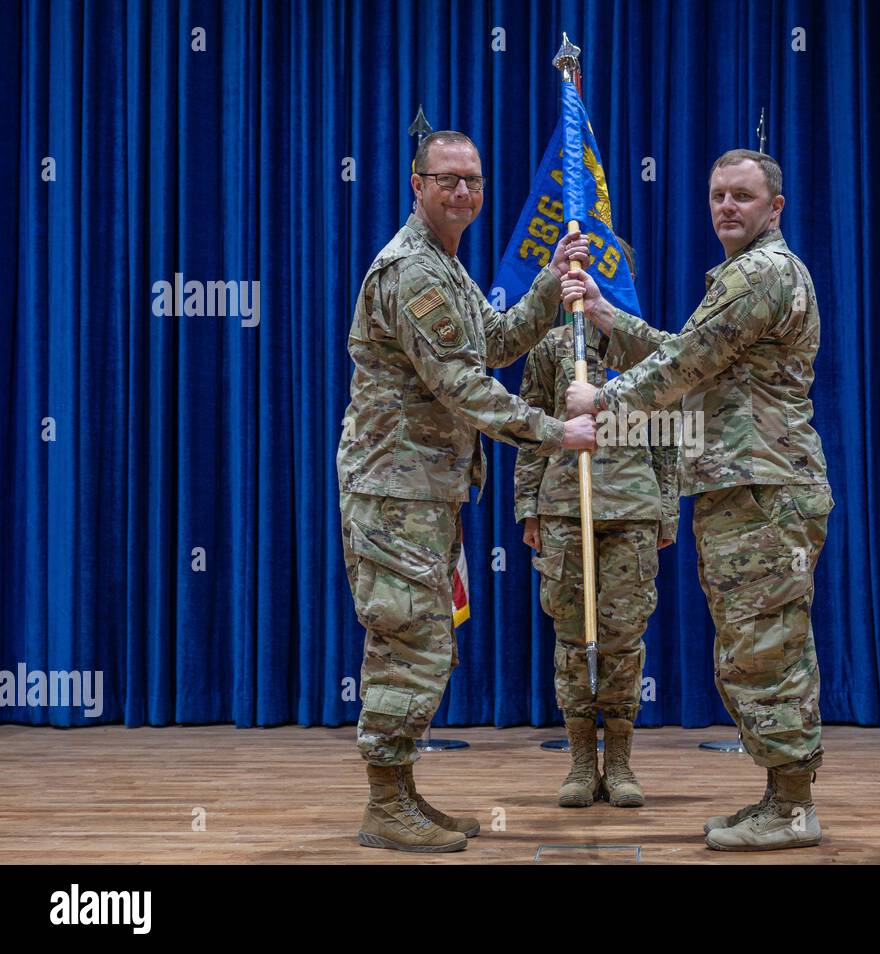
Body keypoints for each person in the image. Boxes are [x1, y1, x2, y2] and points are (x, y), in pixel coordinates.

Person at [563, 149, 833, 851]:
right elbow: (691, 351)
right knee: (753, 650)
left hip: (762, 488)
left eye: (742, 196)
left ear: (776, 207)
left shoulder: (762, 274)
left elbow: (684, 365)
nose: (726, 207)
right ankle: (780, 796)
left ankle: (794, 807)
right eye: (717, 195)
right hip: (744, 485)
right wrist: (605, 315)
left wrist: (604, 397)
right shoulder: (747, 276)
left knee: (768, 651)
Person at [337, 129, 597, 852]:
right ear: (416, 186)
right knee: (405, 645)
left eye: (473, 181)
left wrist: (550, 279)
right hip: (396, 491)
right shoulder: (412, 271)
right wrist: (556, 433)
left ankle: (402, 794)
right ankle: (384, 805)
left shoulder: (447, 267)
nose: (462, 192)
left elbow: (500, 340)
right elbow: (464, 387)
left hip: (423, 489)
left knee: (421, 643)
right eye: (446, 179)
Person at [515, 303, 678, 808]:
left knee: (625, 636)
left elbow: (669, 436)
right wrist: (529, 507)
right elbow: (530, 425)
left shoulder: (647, 351)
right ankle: (583, 762)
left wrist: (666, 513)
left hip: (632, 506)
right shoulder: (552, 347)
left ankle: (622, 761)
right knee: (571, 635)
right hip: (565, 505)